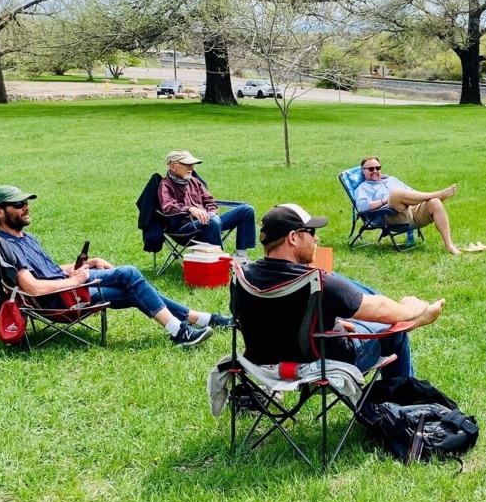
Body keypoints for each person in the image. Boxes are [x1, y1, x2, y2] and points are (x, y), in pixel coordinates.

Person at [0, 185, 228, 347]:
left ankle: (201, 320)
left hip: (69, 288)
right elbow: (34, 287)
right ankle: (180, 331)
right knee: (129, 274)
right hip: (61, 300)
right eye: (18, 204)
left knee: (134, 288)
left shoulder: (25, 238)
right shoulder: (7, 247)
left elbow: (46, 270)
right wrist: (75, 280)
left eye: (26, 202)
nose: (26, 207)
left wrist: (89, 263)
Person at [239, 204, 445, 378]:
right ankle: (401, 400)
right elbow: (381, 310)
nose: (316, 239)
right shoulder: (316, 282)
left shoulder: (244, 277)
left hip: (266, 364)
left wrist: (326, 323)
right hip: (327, 363)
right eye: (311, 232)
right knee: (394, 328)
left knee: (346, 301)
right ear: (293, 237)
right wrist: (410, 309)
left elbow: (262, 319)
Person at [158, 149, 256, 260]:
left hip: (209, 222)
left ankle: (241, 257)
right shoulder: (165, 185)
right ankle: (220, 261)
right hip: (184, 228)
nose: (191, 168)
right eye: (187, 165)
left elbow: (209, 201)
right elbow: (168, 207)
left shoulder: (194, 181)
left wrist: (212, 213)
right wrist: (190, 209)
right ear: (173, 167)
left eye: (192, 165)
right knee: (211, 221)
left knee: (247, 210)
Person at [354, 156, 460, 255]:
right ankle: (438, 195)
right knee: (395, 193)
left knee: (435, 202)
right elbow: (362, 207)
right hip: (391, 216)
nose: (375, 171)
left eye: (378, 168)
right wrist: (385, 201)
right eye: (371, 169)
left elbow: (412, 192)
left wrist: (425, 202)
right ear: (363, 171)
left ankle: (449, 245)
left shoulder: (391, 179)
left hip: (413, 211)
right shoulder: (363, 188)